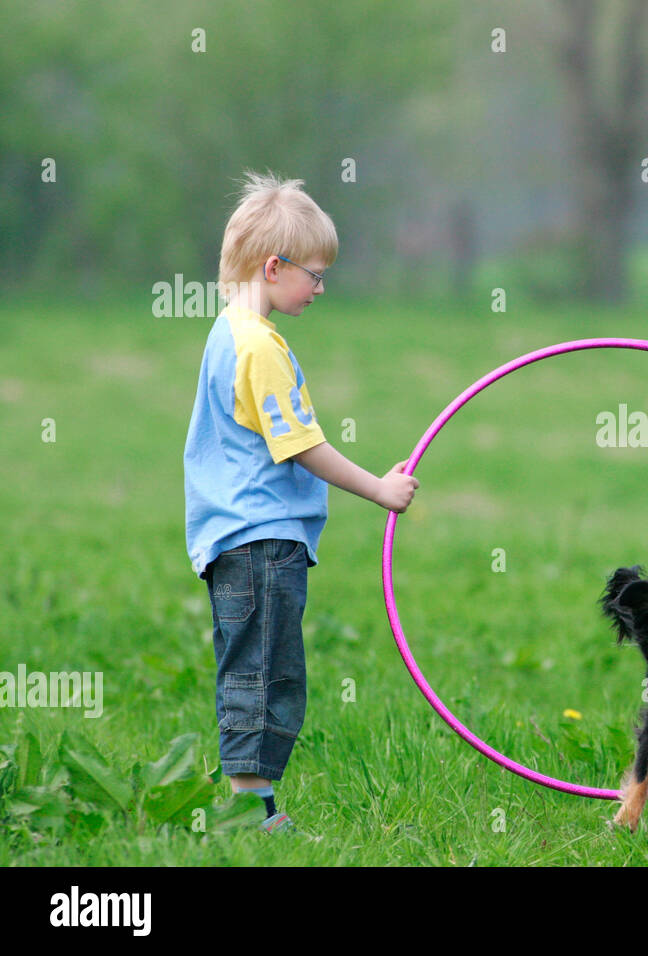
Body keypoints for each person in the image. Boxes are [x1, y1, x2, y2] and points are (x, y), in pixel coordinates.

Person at [184, 171, 419, 833]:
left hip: (241, 537)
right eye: (316, 275)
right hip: (258, 539)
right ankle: (248, 812)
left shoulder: (229, 331)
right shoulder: (260, 349)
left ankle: (253, 804)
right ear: (273, 266)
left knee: (262, 668)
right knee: (263, 674)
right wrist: (378, 488)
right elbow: (301, 445)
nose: (320, 289)